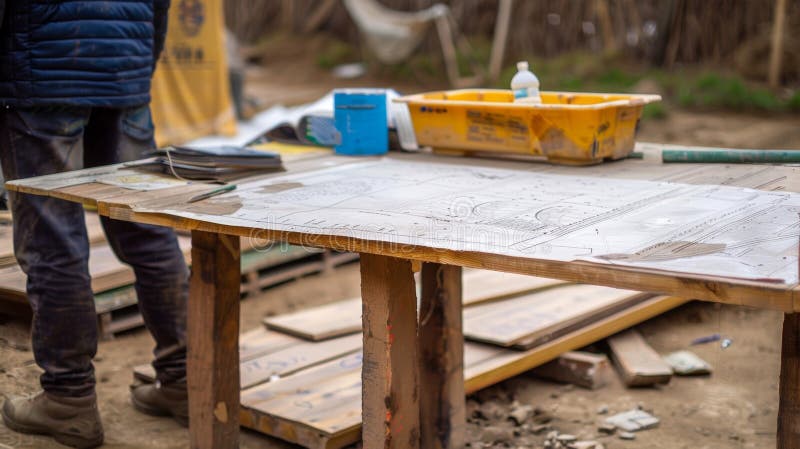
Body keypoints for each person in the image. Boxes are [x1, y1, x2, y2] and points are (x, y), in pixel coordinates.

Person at [0, 1, 190, 448]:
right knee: (147, 230)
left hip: (43, 73)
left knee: (53, 241)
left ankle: (68, 400)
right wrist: (136, 71)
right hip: (125, 70)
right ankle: (186, 381)